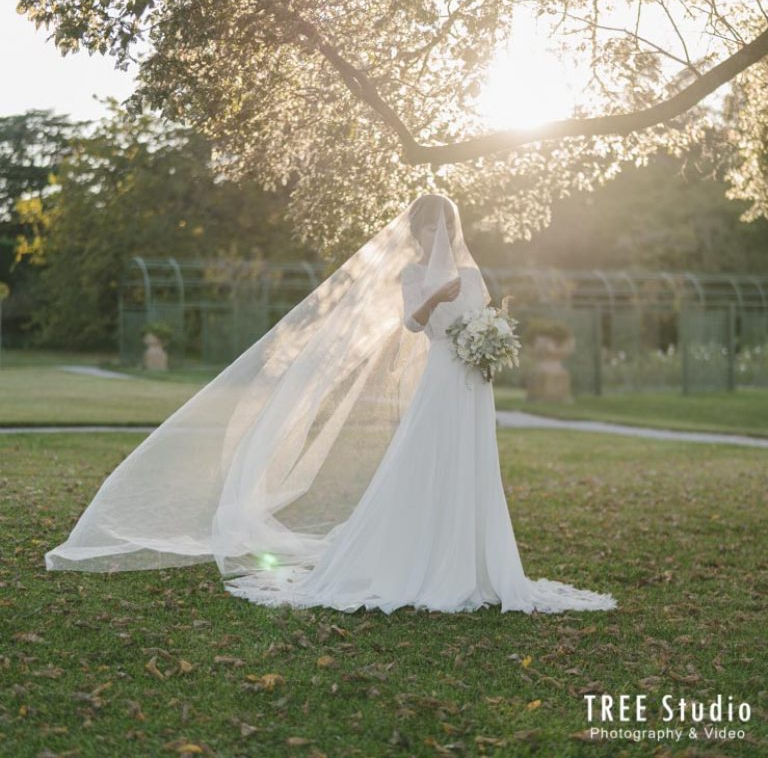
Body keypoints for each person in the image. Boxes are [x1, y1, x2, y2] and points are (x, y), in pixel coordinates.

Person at [45, 193, 616, 615]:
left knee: (472, 467)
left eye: (443, 224)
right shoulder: (414, 273)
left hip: (473, 379)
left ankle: (477, 561)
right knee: (425, 459)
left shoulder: (470, 271)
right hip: (442, 374)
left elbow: (486, 316)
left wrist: (489, 340)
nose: (437, 232)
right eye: (429, 225)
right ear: (418, 231)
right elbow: (413, 328)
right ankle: (417, 553)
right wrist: (436, 301)